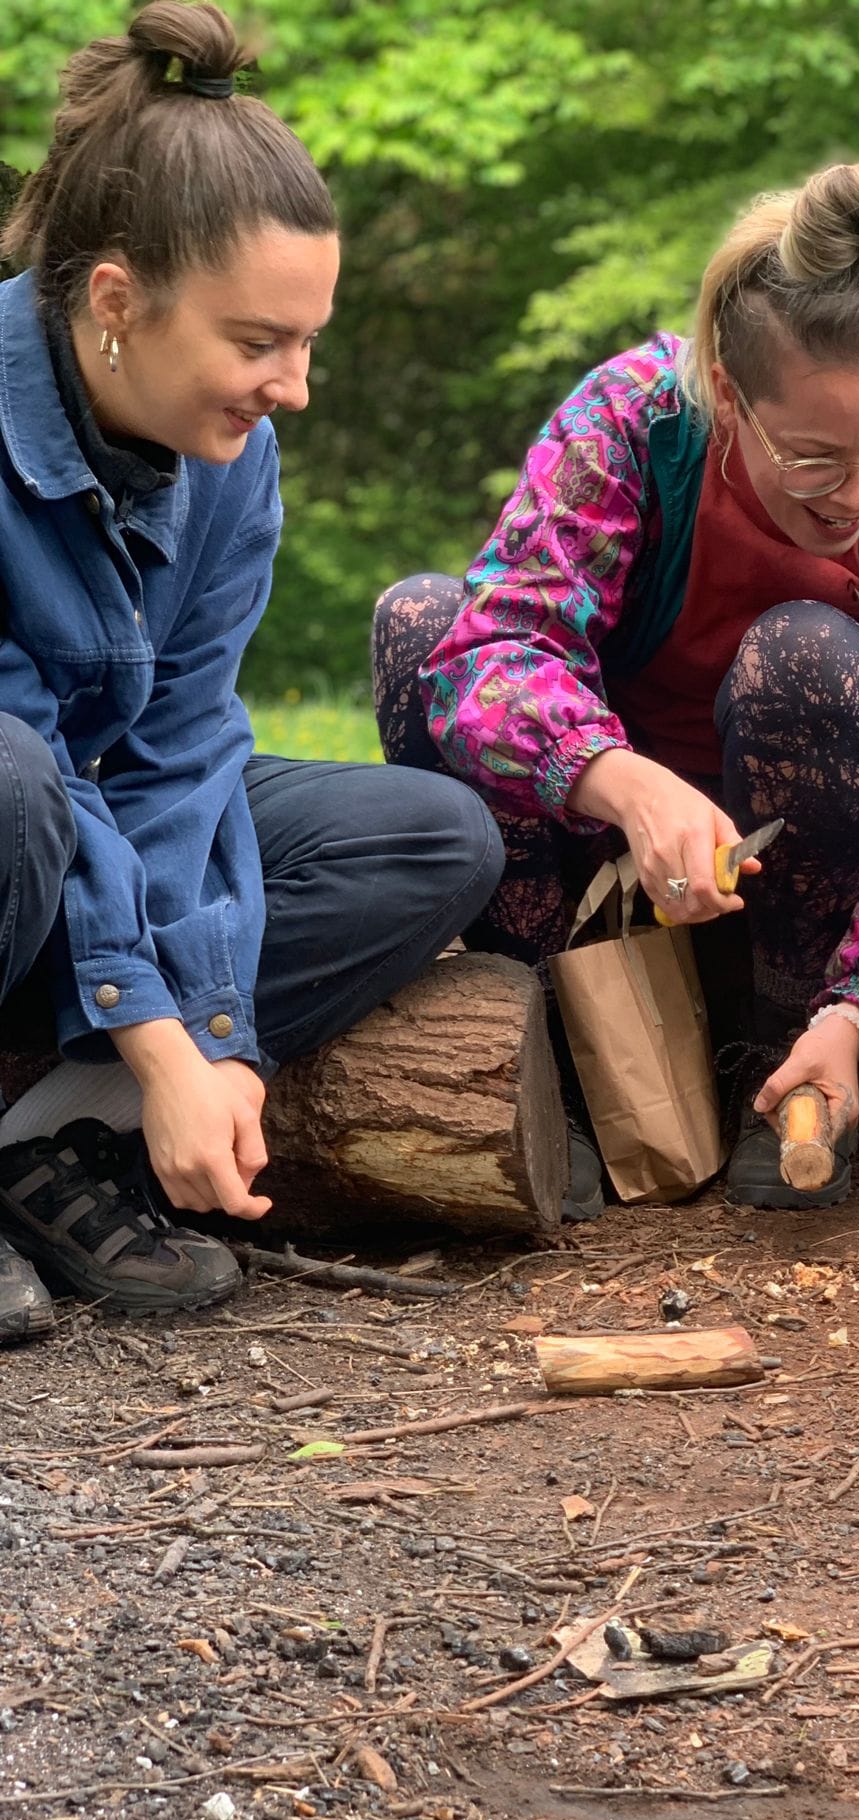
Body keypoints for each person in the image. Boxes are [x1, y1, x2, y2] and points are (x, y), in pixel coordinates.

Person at [374, 163, 859, 1216]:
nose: (855, 496)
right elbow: (495, 647)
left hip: (813, 911)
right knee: (421, 620)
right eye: (812, 460)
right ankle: (557, 1039)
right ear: (727, 391)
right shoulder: (633, 421)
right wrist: (618, 779)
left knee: (808, 654)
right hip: (605, 868)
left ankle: (785, 1052)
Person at [0, 1, 503, 1335]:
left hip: (82, 809)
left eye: (310, 340)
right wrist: (162, 1032)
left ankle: (60, 1139)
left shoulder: (237, 456)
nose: (295, 387)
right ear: (116, 301)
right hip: (11, 811)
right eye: (258, 343)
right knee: (9, 784)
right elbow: (32, 755)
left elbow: (178, 743)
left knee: (433, 835)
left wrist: (209, 1039)